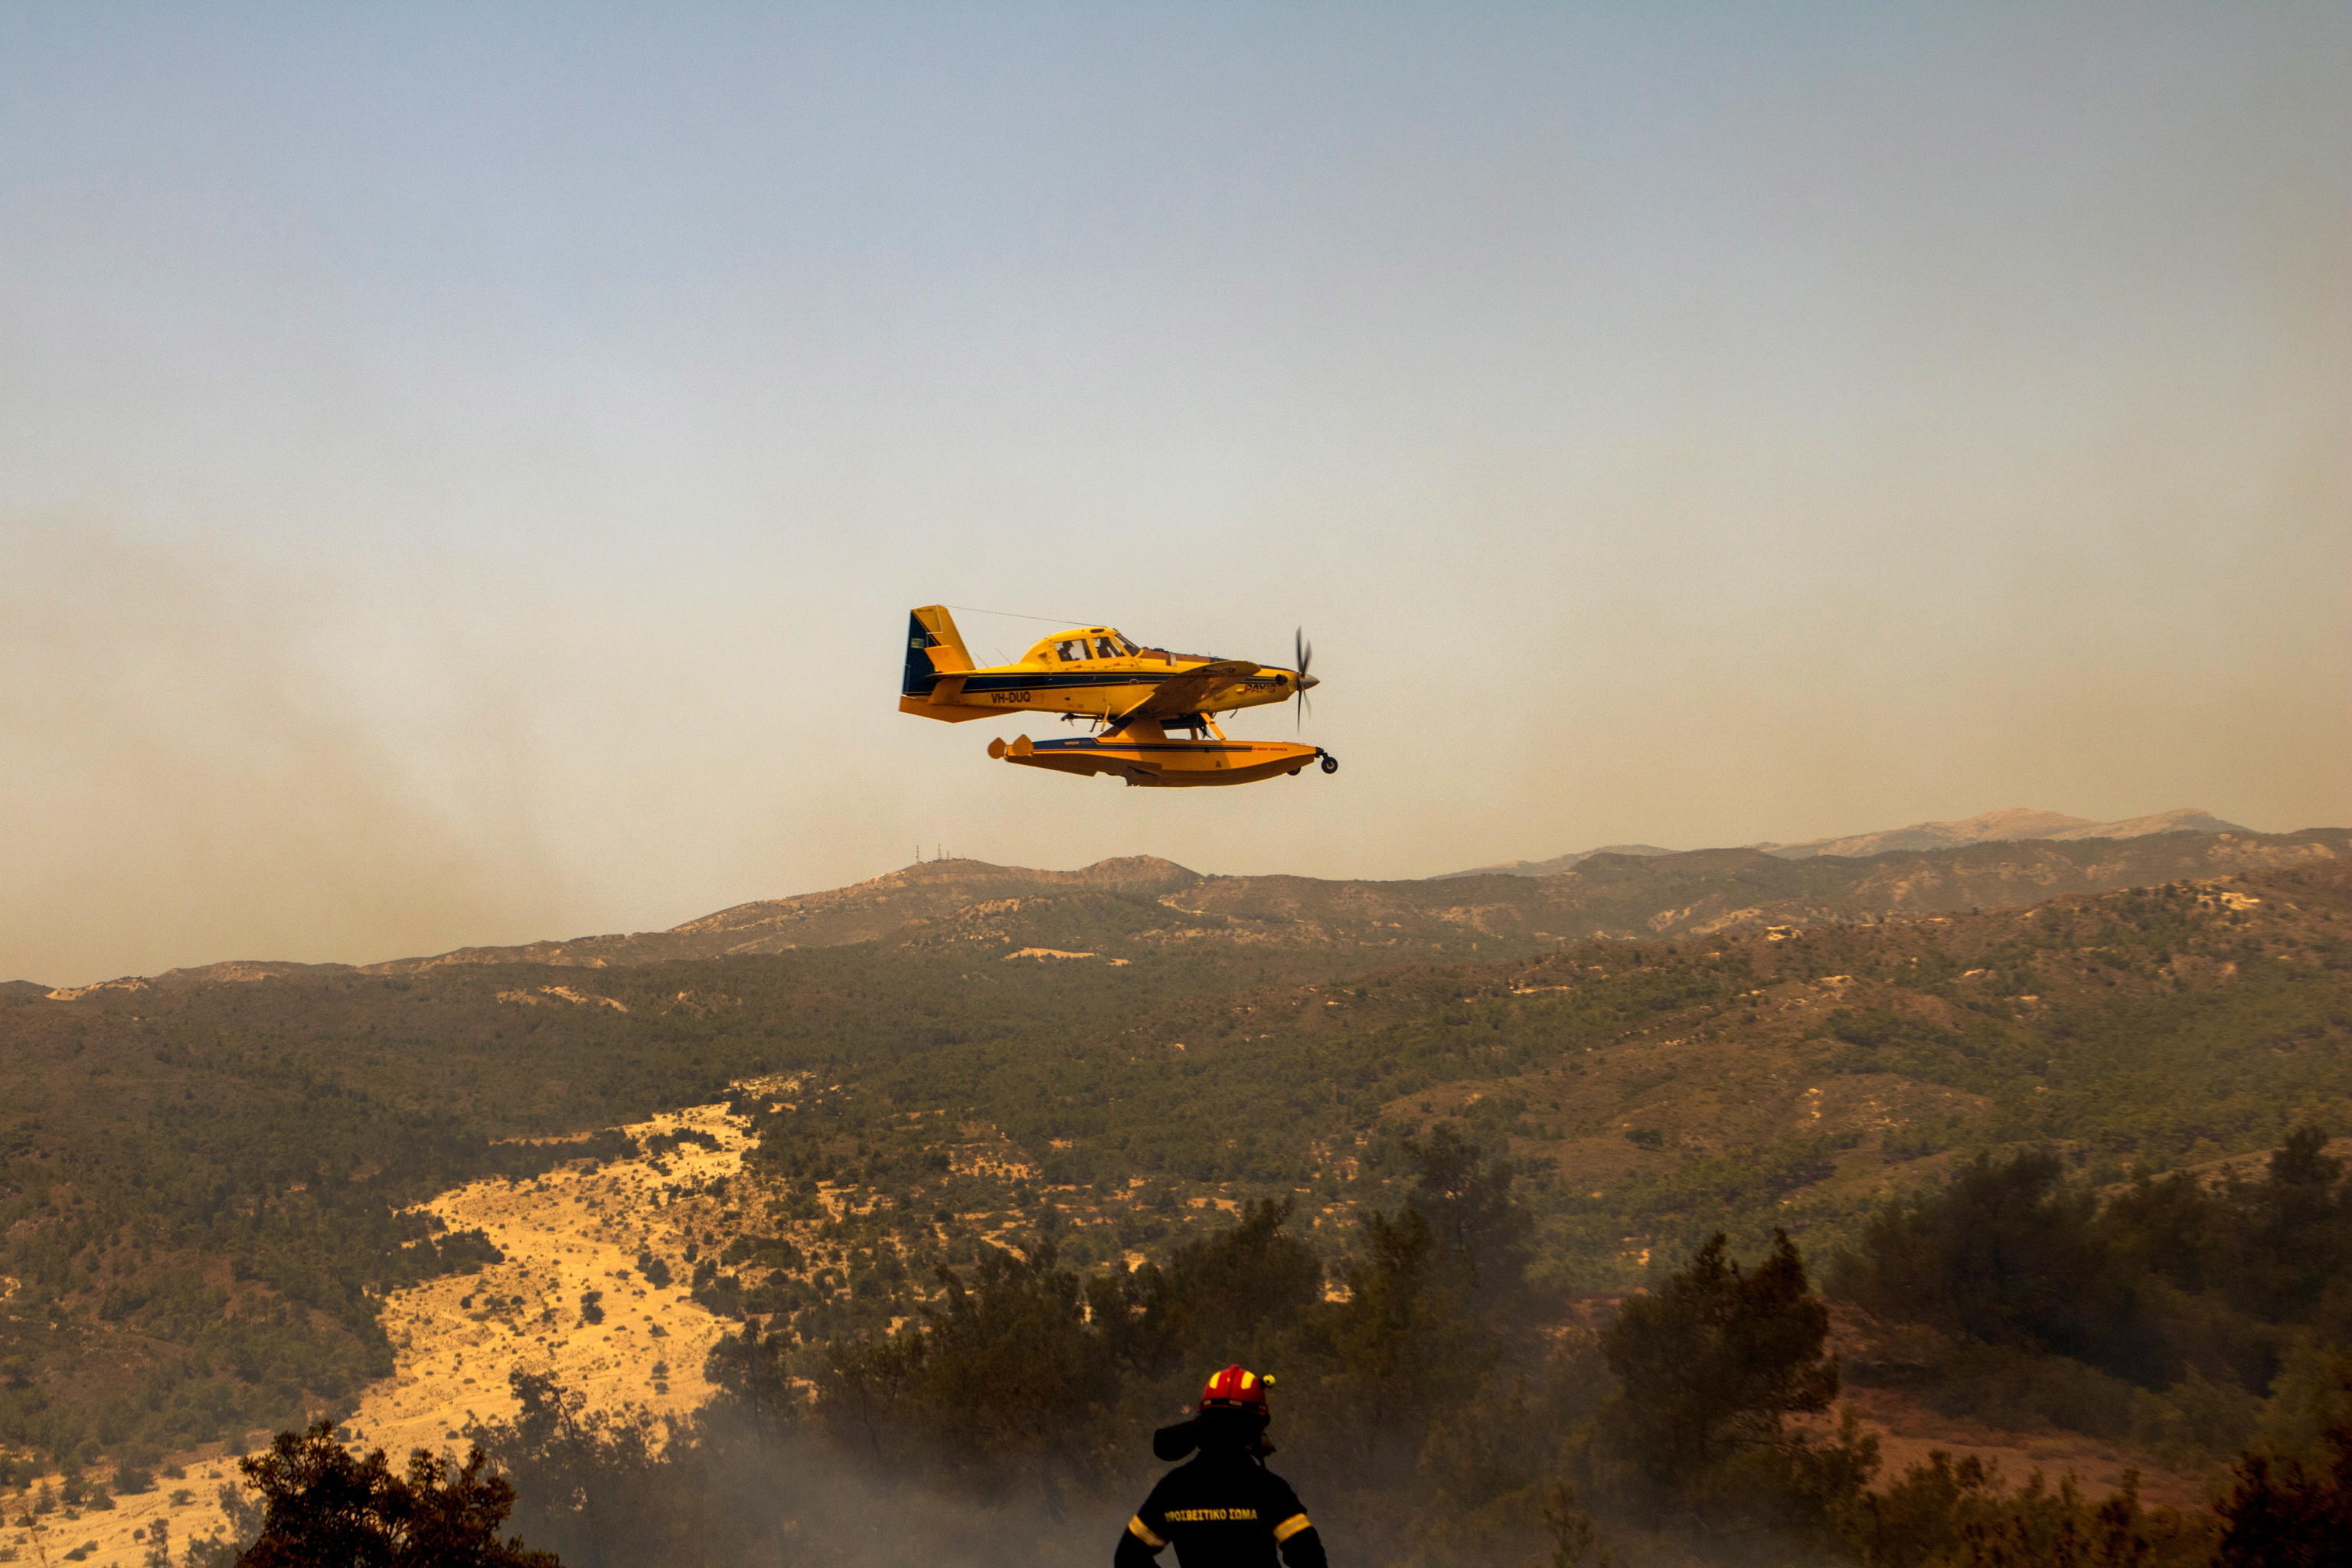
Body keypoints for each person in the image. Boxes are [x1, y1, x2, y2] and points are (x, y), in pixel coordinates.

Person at [1116, 1366, 1328, 1568]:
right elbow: (1310, 1559)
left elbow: (1129, 1557)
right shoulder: (1269, 1489)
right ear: (1255, 1427)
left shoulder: (1174, 1487)